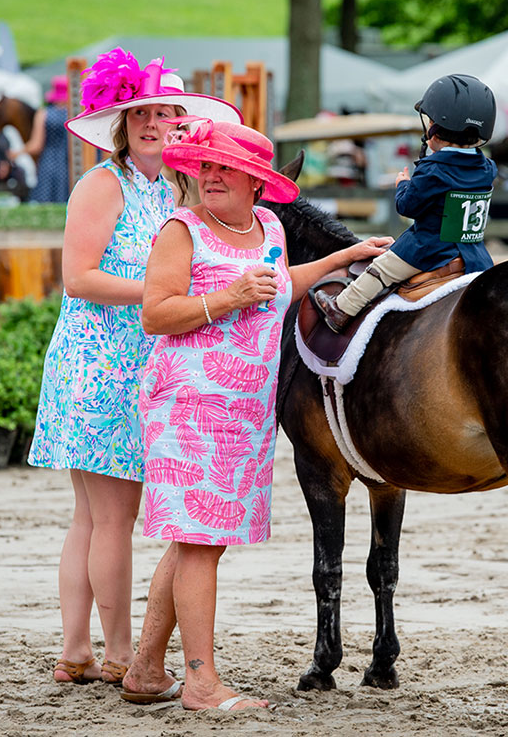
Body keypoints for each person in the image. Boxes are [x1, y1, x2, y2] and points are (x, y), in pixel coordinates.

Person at [120, 118, 390, 710]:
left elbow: (280, 283)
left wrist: (349, 255)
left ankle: (144, 670)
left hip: (245, 411)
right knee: (197, 541)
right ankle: (200, 682)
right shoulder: (181, 229)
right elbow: (156, 314)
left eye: (225, 169)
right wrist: (226, 299)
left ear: (256, 181)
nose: (211, 176)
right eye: (206, 166)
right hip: (187, 406)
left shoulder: (268, 225)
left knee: (197, 540)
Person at [27, 48, 242, 686]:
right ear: (121, 121)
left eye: (167, 114)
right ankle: (119, 654)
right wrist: (157, 293)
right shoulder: (103, 183)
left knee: (94, 518)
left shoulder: (167, 189)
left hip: (133, 361)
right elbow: (77, 277)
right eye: (141, 113)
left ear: (183, 124)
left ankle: (76, 651)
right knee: (110, 517)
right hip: (100, 362)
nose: (154, 123)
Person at [311, 73, 498, 332]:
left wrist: (403, 184)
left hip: (431, 248)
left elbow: (407, 207)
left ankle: (341, 309)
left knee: (380, 270)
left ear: (436, 127)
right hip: (473, 252)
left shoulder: (433, 169)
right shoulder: (487, 167)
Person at [15, 75, 72, 204]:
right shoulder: (75, 115)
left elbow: (36, 145)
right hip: (71, 164)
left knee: (45, 202)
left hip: (49, 164)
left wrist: (17, 153)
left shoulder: (44, 113)